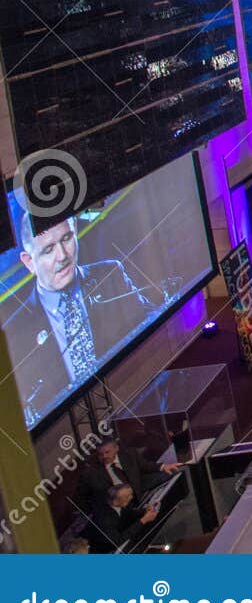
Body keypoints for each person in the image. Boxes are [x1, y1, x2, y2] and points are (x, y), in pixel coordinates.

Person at [3, 215, 158, 425]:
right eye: (48, 250)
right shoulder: (14, 330)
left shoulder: (110, 274)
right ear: (29, 262)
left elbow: (152, 325)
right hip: (65, 438)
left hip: (136, 403)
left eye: (66, 238)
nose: (62, 255)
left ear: (75, 231)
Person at [78, 436, 179, 508]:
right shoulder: (93, 473)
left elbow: (146, 466)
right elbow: (85, 496)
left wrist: (163, 466)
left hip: (137, 486)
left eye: (107, 452)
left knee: (170, 472)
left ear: (116, 448)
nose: (104, 456)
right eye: (100, 454)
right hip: (120, 502)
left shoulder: (130, 454)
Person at [86, 483, 157, 553]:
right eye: (127, 496)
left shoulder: (116, 504)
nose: (131, 497)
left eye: (130, 494)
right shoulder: (106, 520)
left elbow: (126, 513)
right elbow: (118, 541)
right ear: (116, 501)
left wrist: (144, 511)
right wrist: (143, 520)